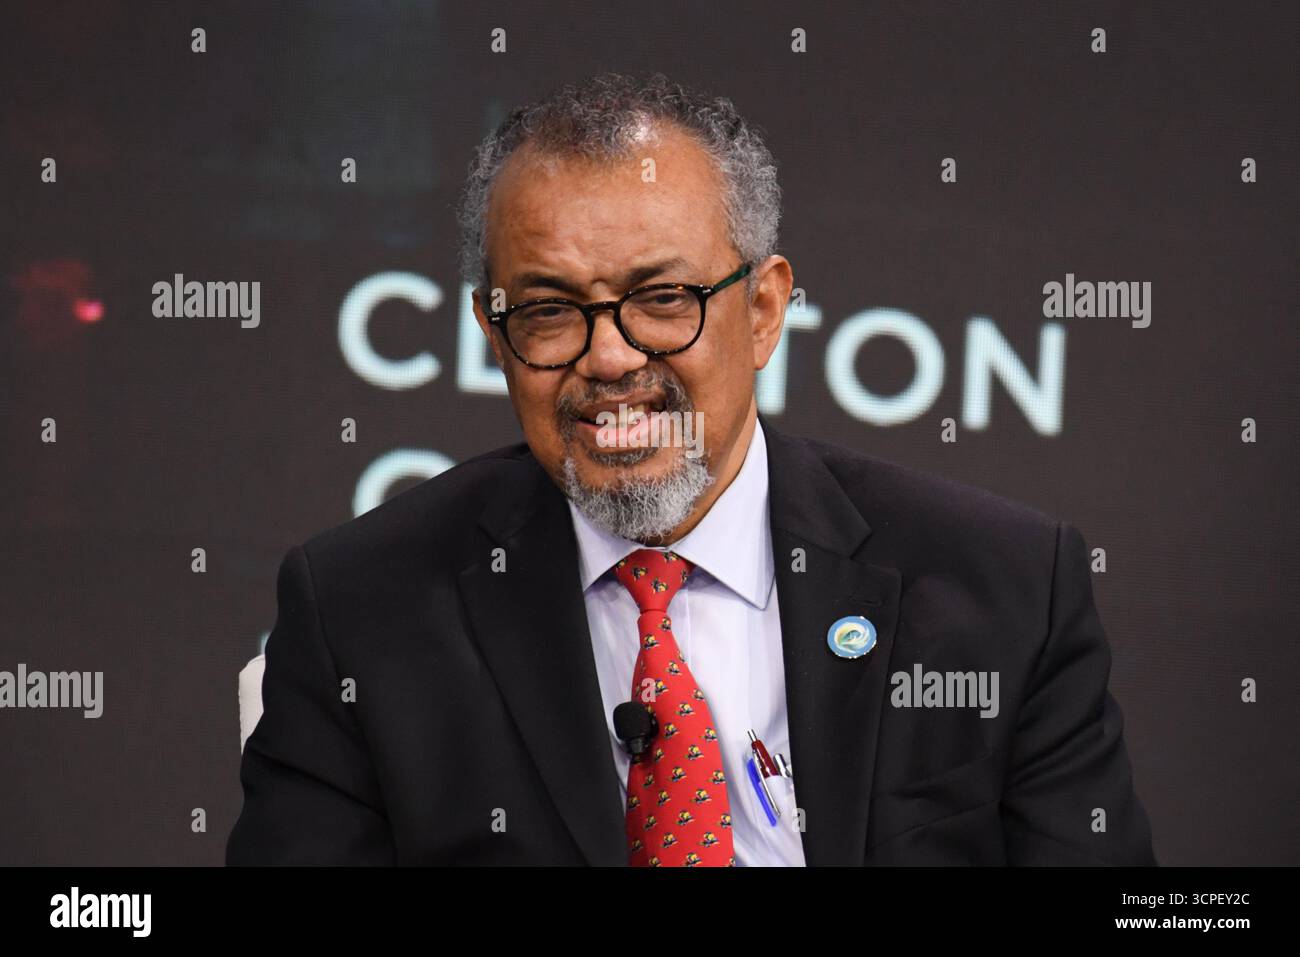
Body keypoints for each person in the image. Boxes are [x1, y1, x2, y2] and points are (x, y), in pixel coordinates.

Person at [227, 72, 1154, 866]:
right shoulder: (360, 609)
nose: (611, 359)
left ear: (763, 309)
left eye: (663, 299)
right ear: (492, 337)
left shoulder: (1003, 590)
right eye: (549, 311)